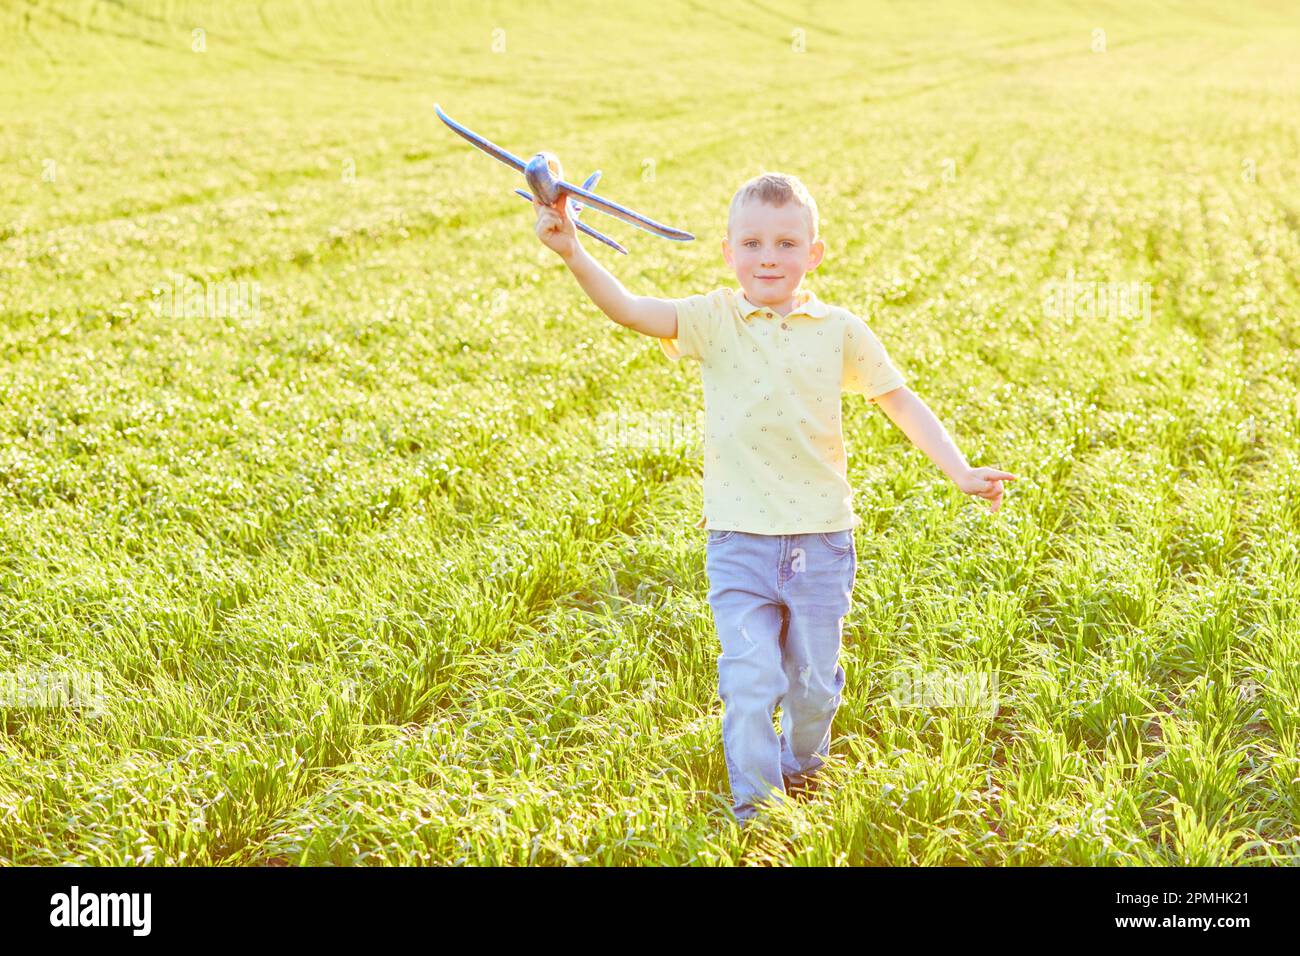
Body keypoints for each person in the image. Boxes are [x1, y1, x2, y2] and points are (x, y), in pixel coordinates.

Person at [533, 171, 1018, 828]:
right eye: (754, 242)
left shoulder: (839, 328)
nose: (769, 256)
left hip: (822, 540)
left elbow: (897, 399)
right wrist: (574, 253)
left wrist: (958, 469)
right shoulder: (712, 319)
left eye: (787, 243)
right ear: (729, 253)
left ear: (814, 254)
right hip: (737, 540)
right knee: (750, 679)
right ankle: (757, 813)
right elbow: (629, 308)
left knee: (814, 687)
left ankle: (803, 760)